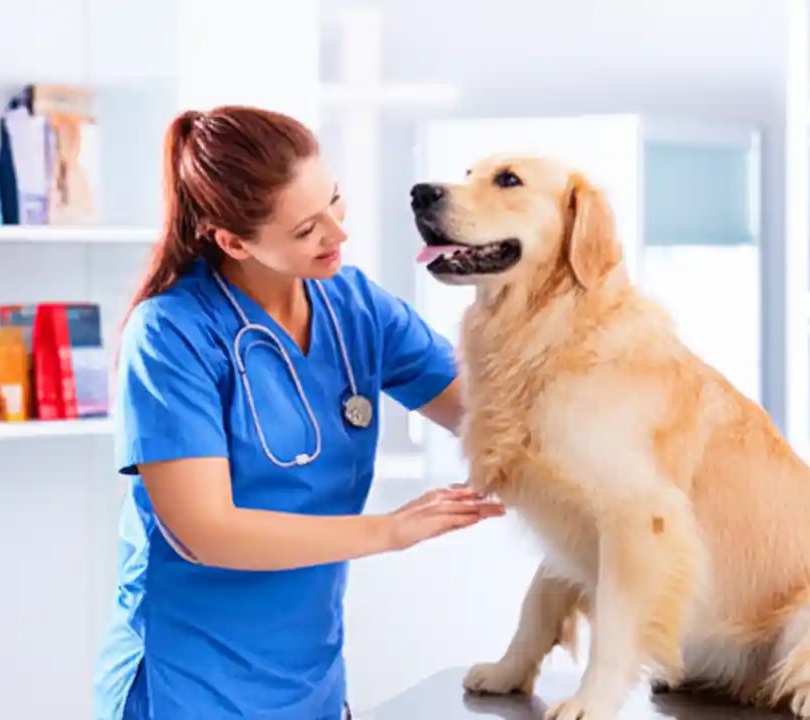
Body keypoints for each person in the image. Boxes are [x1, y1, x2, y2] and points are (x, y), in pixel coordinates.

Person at [93, 105, 505, 720]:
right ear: (233, 241)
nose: (338, 235)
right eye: (307, 228)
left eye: (335, 202)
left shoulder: (356, 306)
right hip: (190, 682)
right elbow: (205, 531)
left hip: (308, 677)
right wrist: (389, 531)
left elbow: (493, 416)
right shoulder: (171, 333)